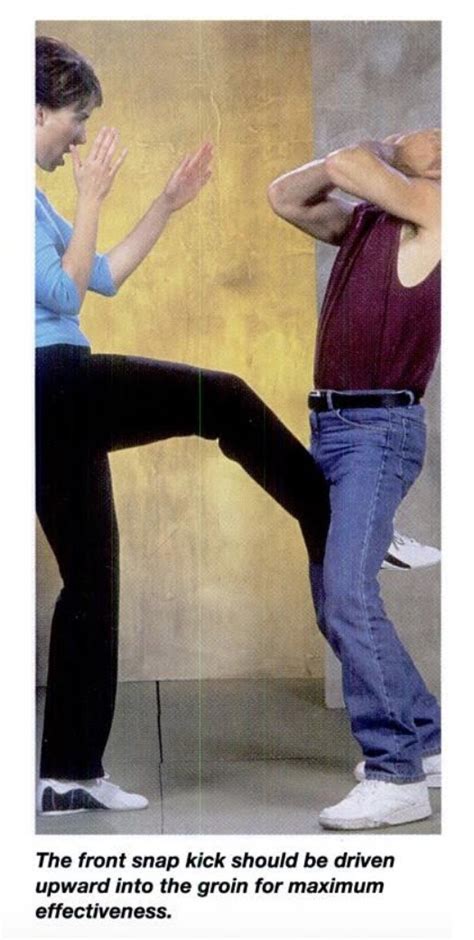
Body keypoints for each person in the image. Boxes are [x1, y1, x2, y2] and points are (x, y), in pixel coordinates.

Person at [35, 36, 333, 815]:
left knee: (91, 581)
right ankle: (335, 519)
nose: (79, 139)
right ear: (33, 112)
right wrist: (93, 199)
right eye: (74, 120)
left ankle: (67, 773)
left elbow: (102, 275)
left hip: (52, 397)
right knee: (223, 400)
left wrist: (165, 203)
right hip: (47, 383)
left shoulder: (30, 201)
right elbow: (63, 299)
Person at [268, 129, 441, 829]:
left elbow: (345, 163)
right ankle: (429, 740)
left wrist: (382, 147)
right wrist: (386, 152)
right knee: (332, 600)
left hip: (379, 430)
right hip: (333, 428)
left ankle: (398, 774)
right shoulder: (374, 221)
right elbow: (285, 196)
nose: (426, 134)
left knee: (347, 594)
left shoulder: (440, 208)